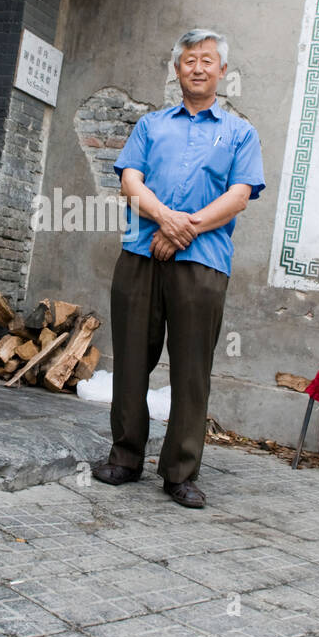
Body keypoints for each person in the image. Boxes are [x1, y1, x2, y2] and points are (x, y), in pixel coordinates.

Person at [92, 29, 265, 508]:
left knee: (191, 370)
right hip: (140, 256)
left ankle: (180, 471)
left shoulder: (239, 133)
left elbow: (239, 196)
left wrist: (182, 230)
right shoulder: (150, 125)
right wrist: (164, 219)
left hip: (203, 263)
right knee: (130, 359)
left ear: (222, 71)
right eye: (189, 59)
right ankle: (126, 457)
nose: (198, 68)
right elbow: (130, 180)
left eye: (208, 60)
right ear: (177, 69)